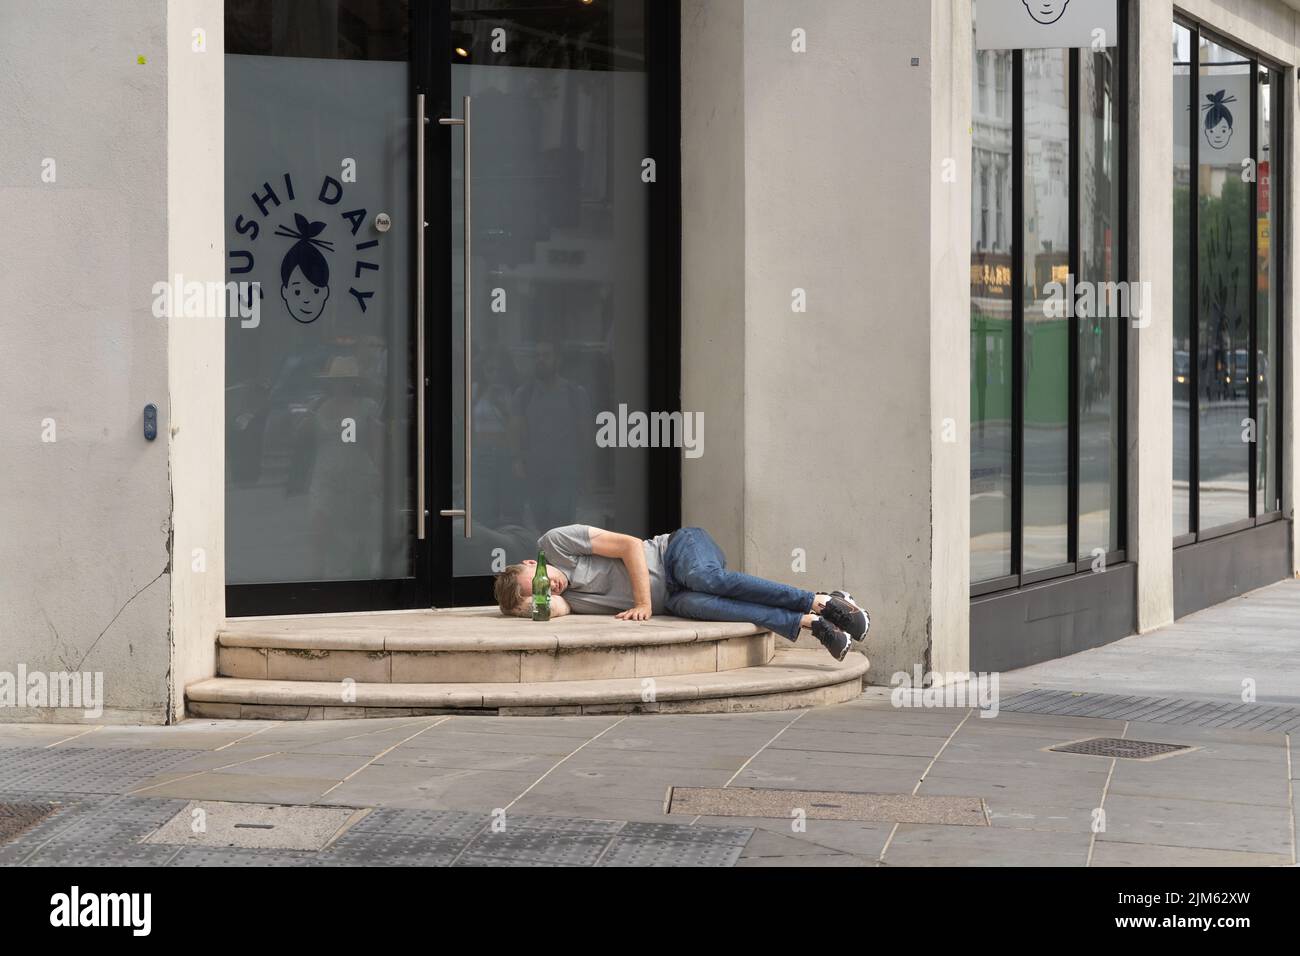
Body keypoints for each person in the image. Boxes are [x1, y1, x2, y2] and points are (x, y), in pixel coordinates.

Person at [493, 525, 869, 661]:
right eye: (539, 592)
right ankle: (810, 622)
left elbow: (628, 546)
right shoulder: (564, 601)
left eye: (539, 576)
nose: (549, 585)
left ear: (532, 560)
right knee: (704, 605)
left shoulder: (555, 544)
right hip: (672, 598)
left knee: (706, 580)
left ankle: (822, 601)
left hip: (678, 552)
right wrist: (523, 605)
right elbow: (551, 610)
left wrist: (642, 603)